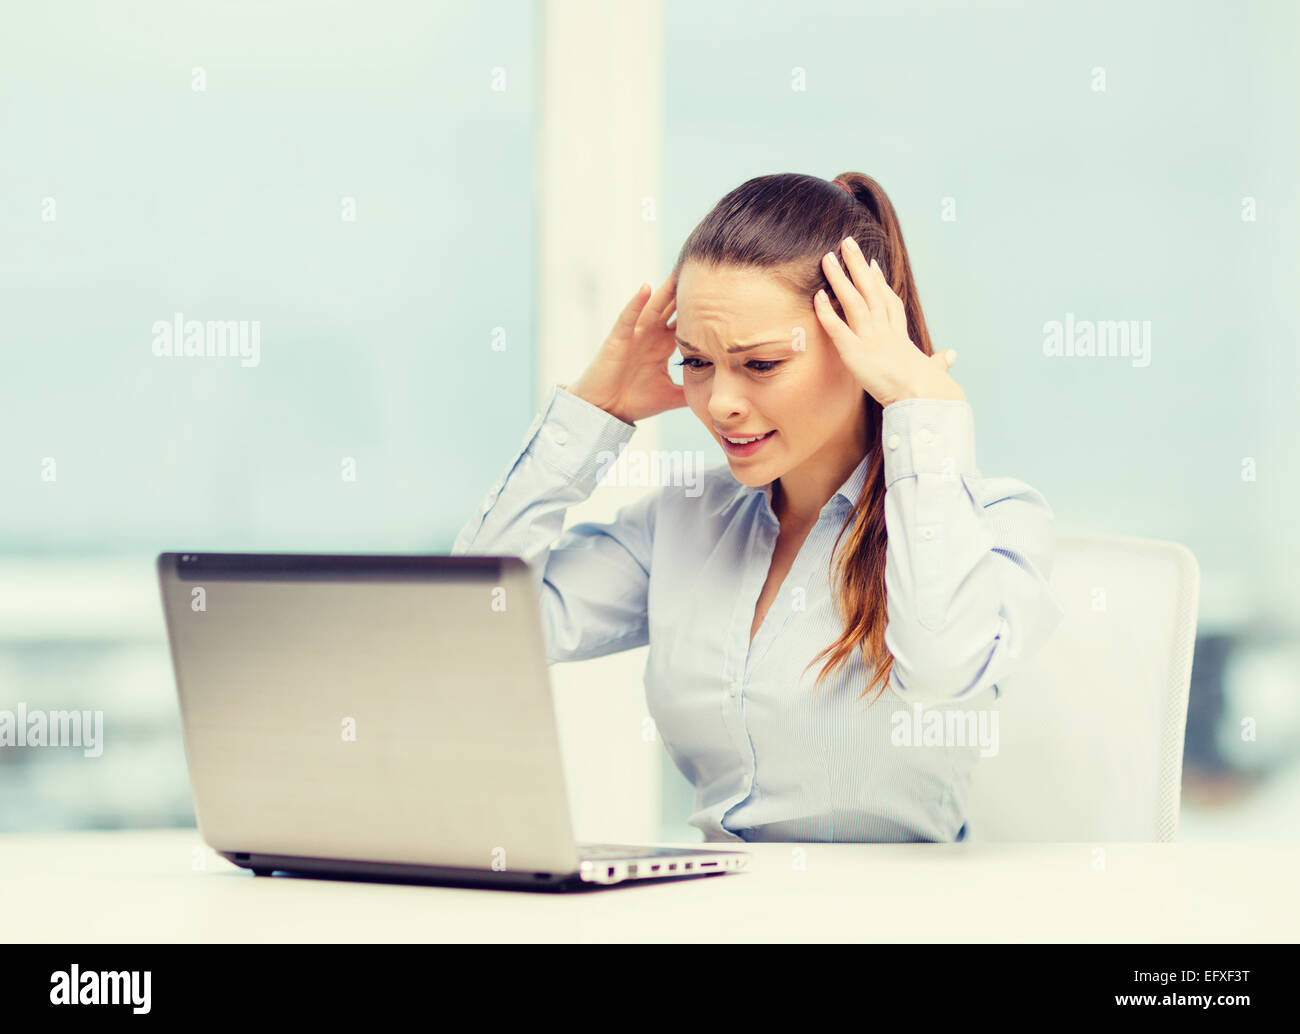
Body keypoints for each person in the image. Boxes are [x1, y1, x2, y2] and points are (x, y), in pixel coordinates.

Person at [453, 171, 1064, 843]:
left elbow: (941, 669)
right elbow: (480, 628)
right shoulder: (685, 521)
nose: (720, 405)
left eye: (761, 364)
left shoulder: (993, 523)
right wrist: (592, 413)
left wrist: (926, 412)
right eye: (696, 362)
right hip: (714, 912)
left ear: (860, 347)